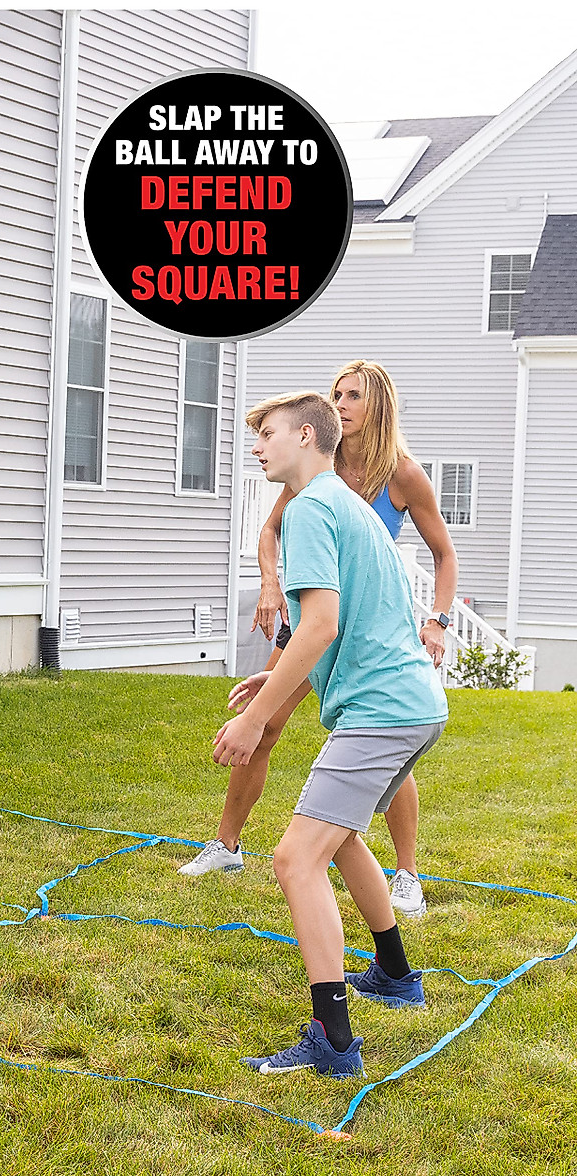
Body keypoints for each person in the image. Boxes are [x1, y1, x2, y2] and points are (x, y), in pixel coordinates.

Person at [214, 390, 447, 1078]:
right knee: (337, 835)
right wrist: (278, 677)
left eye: (269, 434)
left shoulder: (313, 506)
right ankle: (397, 975)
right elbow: (361, 621)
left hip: (383, 710)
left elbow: (320, 625)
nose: (258, 445)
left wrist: (253, 722)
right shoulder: (347, 503)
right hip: (413, 704)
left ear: (309, 435)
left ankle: (333, 1039)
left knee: (294, 859)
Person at [181, 360, 457, 919]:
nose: (342, 404)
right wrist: (269, 584)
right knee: (272, 721)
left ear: (378, 405)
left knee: (377, 737)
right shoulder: (311, 477)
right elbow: (272, 532)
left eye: (353, 396)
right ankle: (227, 846)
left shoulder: (398, 474)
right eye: (337, 395)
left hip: (361, 628)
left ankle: (406, 873)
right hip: (318, 610)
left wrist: (439, 620)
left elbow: (444, 555)